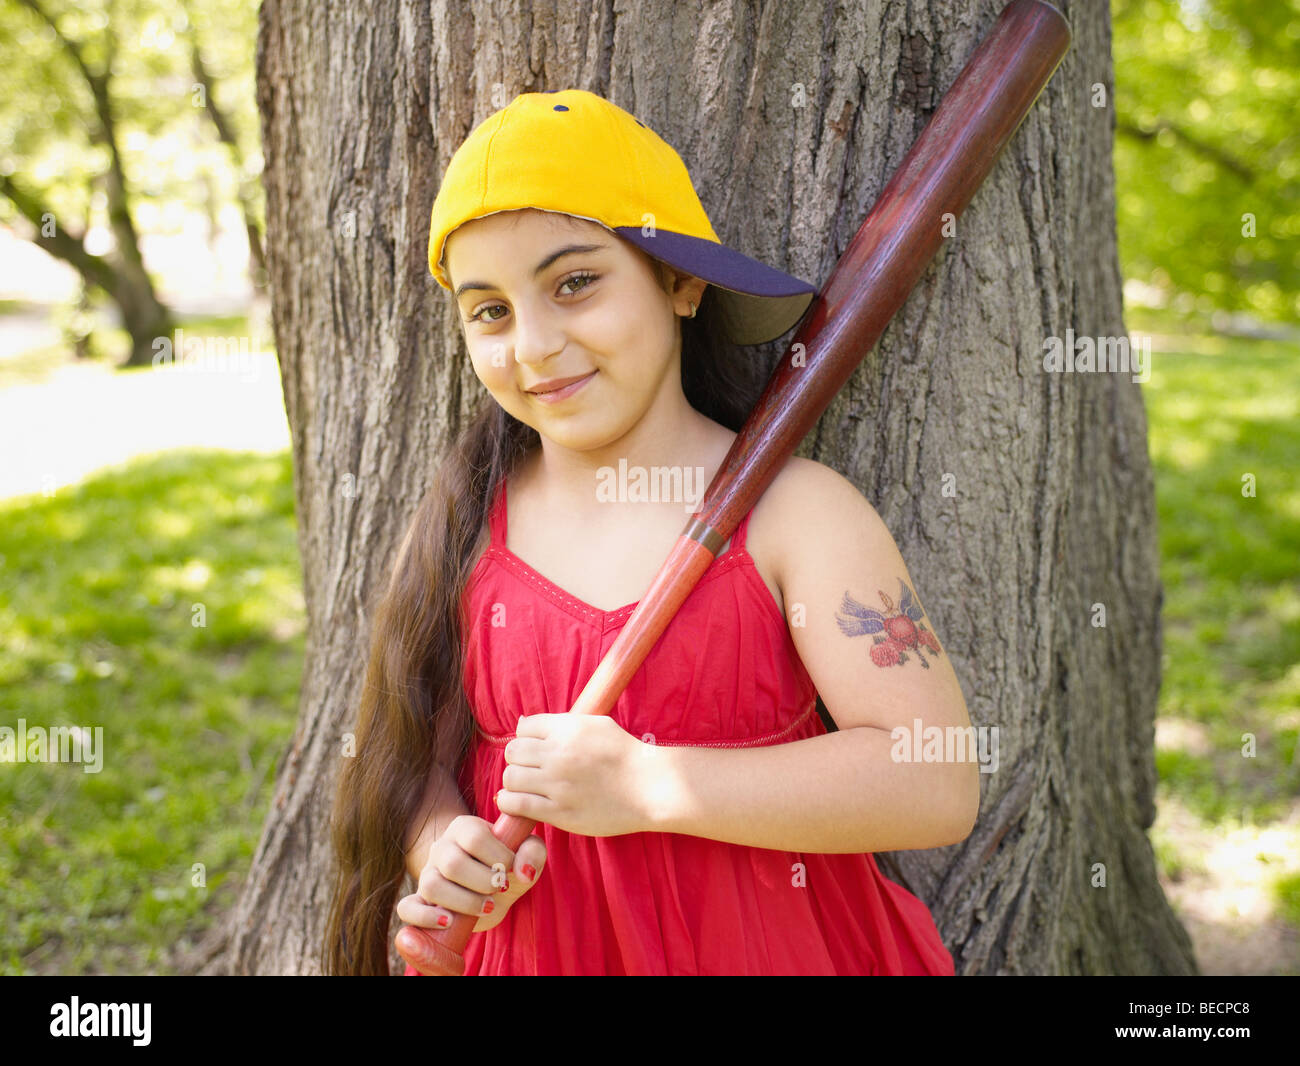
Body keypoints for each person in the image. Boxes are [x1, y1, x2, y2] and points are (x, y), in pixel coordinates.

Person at [323, 89, 978, 976]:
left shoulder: (794, 515)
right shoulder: (466, 529)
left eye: (575, 283)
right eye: (490, 311)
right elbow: (418, 761)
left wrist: (650, 786)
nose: (534, 346)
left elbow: (931, 782)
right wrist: (447, 849)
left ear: (680, 280)